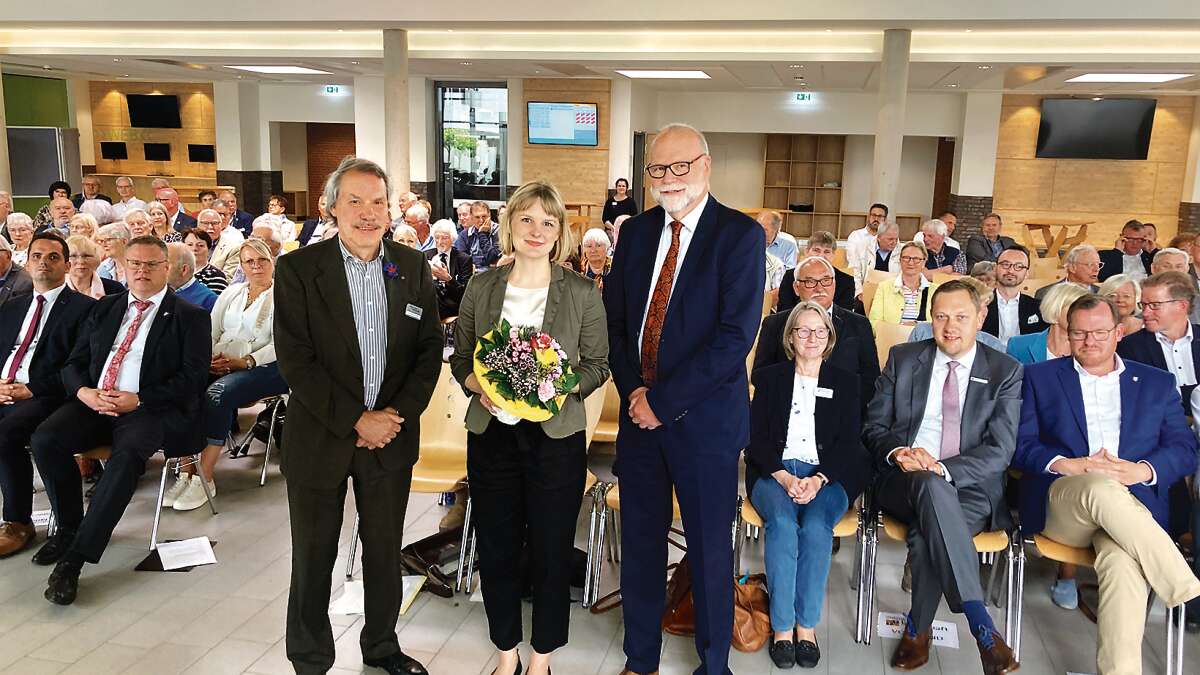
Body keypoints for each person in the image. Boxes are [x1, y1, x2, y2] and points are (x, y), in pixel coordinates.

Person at [604, 122, 764, 675]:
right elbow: (617, 324)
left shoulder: (740, 236)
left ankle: (713, 664)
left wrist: (663, 401)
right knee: (642, 548)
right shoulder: (638, 233)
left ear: (706, 164)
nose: (669, 179)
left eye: (681, 166)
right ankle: (639, 658)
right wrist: (634, 393)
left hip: (704, 427)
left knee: (708, 552)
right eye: (657, 169)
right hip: (638, 419)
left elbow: (734, 339)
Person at [273, 157, 441, 675]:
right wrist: (356, 420)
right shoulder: (300, 269)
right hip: (319, 435)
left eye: (377, 203)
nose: (368, 214)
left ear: (390, 211)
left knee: (384, 552)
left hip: (389, 437)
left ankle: (383, 647)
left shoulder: (411, 268)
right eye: (354, 201)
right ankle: (309, 657)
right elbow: (295, 359)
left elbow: (429, 352)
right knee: (314, 553)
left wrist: (392, 416)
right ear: (330, 208)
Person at [450, 179, 609, 675]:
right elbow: (460, 359)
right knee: (496, 546)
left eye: (548, 222)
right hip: (491, 436)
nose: (536, 230)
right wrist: (482, 385)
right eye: (526, 220)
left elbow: (598, 365)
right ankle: (506, 653)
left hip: (555, 439)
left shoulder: (581, 292)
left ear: (560, 231)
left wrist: (552, 387)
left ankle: (540, 658)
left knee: (550, 547)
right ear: (509, 225)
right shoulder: (481, 286)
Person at [1014, 294, 1200, 675]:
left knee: (1123, 563)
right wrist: (1067, 464)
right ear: (1068, 334)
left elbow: (1184, 448)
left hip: (1133, 513)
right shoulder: (1039, 377)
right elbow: (1018, 444)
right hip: (1066, 503)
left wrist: (1142, 471)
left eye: (1099, 332)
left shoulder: (1155, 382)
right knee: (1099, 485)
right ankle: (1184, 585)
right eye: (1079, 333)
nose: (1089, 341)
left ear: (1118, 332)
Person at [30, 236, 210, 605]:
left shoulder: (190, 316)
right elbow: (74, 364)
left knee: (126, 457)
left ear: (167, 269)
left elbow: (192, 381)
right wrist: (84, 392)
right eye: (134, 264)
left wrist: (139, 398)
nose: (141, 271)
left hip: (148, 408)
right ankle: (68, 527)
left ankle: (74, 560)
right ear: (123, 267)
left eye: (150, 265)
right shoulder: (105, 308)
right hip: (94, 402)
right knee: (46, 439)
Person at [863, 279, 1023, 675]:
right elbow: (873, 427)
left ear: (981, 317)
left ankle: (918, 628)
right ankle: (979, 622)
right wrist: (900, 453)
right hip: (903, 479)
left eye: (961, 317)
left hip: (970, 488)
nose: (950, 327)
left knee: (926, 532)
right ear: (930, 319)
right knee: (928, 488)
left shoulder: (1005, 371)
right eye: (940, 317)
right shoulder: (904, 357)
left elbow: (1000, 450)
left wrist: (944, 468)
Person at [746, 302, 869, 670]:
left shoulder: (847, 383)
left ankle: (806, 627)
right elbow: (755, 439)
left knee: (816, 530)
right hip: (775, 472)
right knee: (783, 526)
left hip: (827, 476)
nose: (812, 337)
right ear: (791, 337)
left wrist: (817, 480)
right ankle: (782, 628)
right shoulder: (770, 379)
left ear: (829, 337)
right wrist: (784, 477)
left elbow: (850, 443)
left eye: (819, 331)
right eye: (803, 330)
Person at [167, 238, 291, 511]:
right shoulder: (231, 293)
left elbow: (283, 344)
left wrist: (244, 361)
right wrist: (208, 360)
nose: (256, 266)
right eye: (249, 261)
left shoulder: (286, 294)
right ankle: (186, 471)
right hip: (222, 361)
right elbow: (210, 331)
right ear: (242, 266)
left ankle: (205, 476)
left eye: (262, 260)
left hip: (268, 366)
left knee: (218, 393)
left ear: (272, 262)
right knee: (184, 388)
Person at [0, 234, 96, 557]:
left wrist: (32, 388)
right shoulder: (12, 308)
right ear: (26, 263)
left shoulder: (84, 310)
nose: (44, 262)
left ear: (68, 265)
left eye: (53, 257)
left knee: (7, 433)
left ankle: (17, 522)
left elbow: (80, 367)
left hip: (47, 394)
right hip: (4, 388)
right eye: (37, 256)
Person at [754, 256, 879, 414]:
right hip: (790, 411)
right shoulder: (774, 325)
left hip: (844, 413)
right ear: (796, 287)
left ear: (834, 284)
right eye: (810, 282)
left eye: (826, 280)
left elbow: (871, 379)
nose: (819, 289)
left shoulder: (859, 325)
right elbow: (760, 376)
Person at [1116, 271, 1200, 415]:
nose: (1145, 313)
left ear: (1182, 305)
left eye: (1154, 305)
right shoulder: (1129, 347)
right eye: (1143, 305)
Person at [906, 276, 1007, 352]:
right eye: (982, 305)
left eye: (987, 305)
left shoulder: (994, 345)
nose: (985, 312)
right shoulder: (922, 332)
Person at [1007, 282, 1089, 366]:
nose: (1082, 315)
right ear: (1056, 309)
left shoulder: (1090, 348)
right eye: (1074, 308)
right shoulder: (1018, 346)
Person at [981, 245, 1046, 345]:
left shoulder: (1039, 307)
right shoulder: (980, 304)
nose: (1011, 271)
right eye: (1005, 264)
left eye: (1019, 266)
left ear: (1027, 273)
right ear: (995, 268)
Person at [777, 231, 855, 313]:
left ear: (833, 255)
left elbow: (845, 317)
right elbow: (784, 312)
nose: (821, 256)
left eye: (827, 252)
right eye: (816, 250)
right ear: (806, 251)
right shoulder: (790, 277)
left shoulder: (847, 282)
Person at [868, 241, 935, 325]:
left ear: (924, 263)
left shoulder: (935, 291)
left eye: (916, 259)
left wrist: (918, 327)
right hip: (891, 335)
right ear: (900, 261)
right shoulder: (884, 287)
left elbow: (939, 324)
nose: (910, 262)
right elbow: (873, 322)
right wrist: (899, 330)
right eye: (906, 258)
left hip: (923, 336)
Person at [424, 219, 473, 320]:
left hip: (452, 302)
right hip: (431, 300)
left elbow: (464, 293)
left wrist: (448, 279)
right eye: (437, 238)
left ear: (452, 239)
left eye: (444, 238)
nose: (440, 242)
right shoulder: (425, 256)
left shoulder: (463, 259)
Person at [849, 221, 901, 298]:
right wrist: (859, 292)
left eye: (896, 239)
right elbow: (855, 273)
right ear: (879, 237)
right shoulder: (862, 248)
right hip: (866, 293)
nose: (894, 242)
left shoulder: (902, 252)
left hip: (892, 295)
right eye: (890, 239)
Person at [1035, 244, 1102, 300]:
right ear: (1072, 267)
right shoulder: (1046, 294)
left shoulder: (1103, 294)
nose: (1096, 269)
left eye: (1098, 264)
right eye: (1090, 265)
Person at [166, 242, 218, 312]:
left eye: (166, 266)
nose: (157, 269)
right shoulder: (156, 291)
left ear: (184, 270)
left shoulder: (209, 300)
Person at [204, 203, 247, 279]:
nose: (222, 217)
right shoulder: (199, 236)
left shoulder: (236, 235)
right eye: (219, 214)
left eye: (225, 214)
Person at [455, 201, 501, 271]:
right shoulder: (464, 235)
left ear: (489, 215)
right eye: (477, 217)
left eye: (484, 216)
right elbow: (462, 262)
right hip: (473, 275)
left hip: (496, 275)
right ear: (472, 218)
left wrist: (482, 234)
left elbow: (493, 258)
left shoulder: (499, 231)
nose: (481, 220)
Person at [844, 202, 889, 275]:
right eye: (873, 215)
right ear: (868, 216)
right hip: (860, 278)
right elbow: (853, 263)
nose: (876, 219)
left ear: (885, 219)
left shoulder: (891, 238)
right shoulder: (856, 236)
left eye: (880, 216)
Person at [184, 226, 229, 295]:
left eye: (200, 245)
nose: (194, 249)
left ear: (208, 249)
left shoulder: (216, 276)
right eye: (190, 245)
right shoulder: (175, 271)